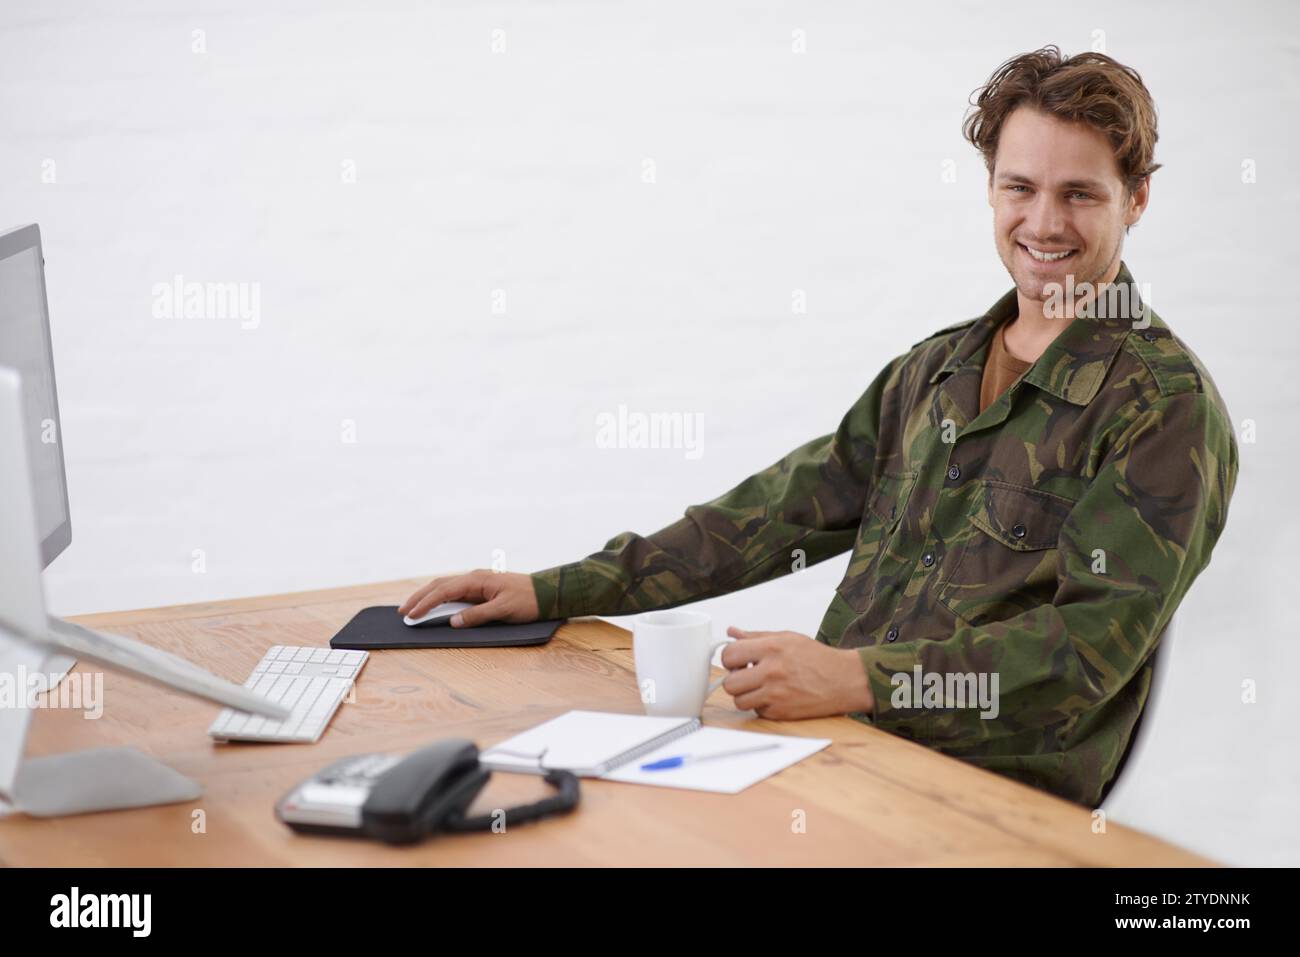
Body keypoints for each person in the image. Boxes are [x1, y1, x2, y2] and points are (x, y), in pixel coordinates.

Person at [400, 46, 1238, 807]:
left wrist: (853, 676)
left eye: (1079, 194)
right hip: (829, 755)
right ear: (990, 188)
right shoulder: (935, 371)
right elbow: (770, 516)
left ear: (1137, 198)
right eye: (1020, 187)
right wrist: (552, 589)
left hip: (982, 807)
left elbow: (1084, 651)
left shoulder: (1165, 408)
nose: (1044, 224)